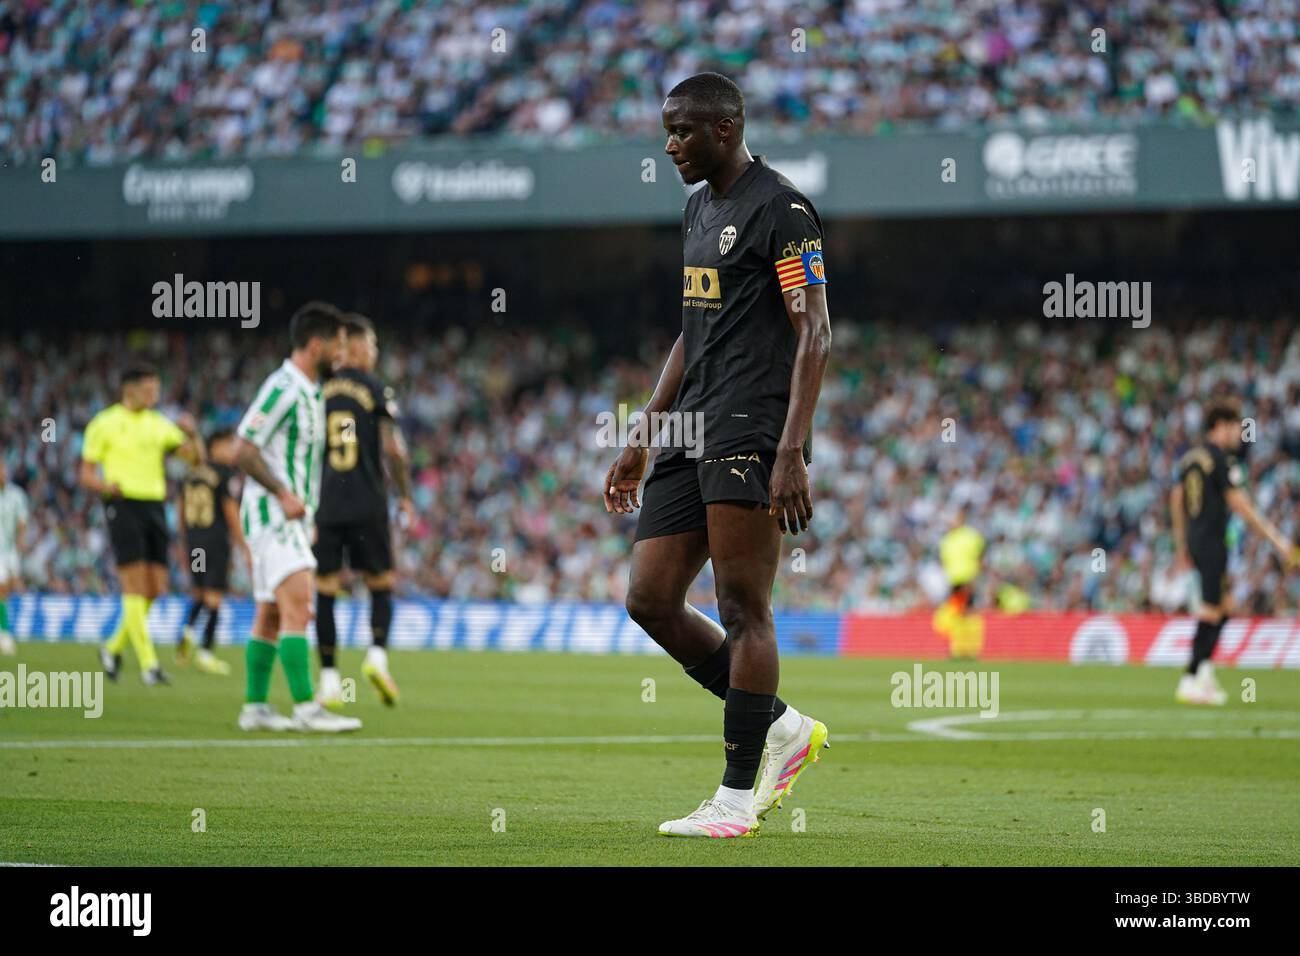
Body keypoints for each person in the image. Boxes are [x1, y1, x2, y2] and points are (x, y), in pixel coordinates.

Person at [604, 73, 832, 838]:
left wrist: (791, 449)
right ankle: (781, 725)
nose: (669, 145)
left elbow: (816, 332)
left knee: (743, 609)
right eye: (665, 131)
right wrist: (643, 434)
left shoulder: (784, 211)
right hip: (692, 428)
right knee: (650, 597)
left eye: (682, 131)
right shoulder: (698, 208)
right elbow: (691, 333)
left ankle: (736, 800)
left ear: (726, 128)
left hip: (752, 427)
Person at [232, 302, 360, 733]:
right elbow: (243, 447)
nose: (341, 357)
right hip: (272, 514)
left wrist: (305, 510)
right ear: (317, 344)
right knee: (301, 605)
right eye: (338, 347)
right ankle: (307, 707)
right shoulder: (283, 386)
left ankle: (254, 707)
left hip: (290, 519)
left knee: (270, 612)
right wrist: (283, 494)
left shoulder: (309, 392)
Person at [314, 312, 414, 709]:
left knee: (325, 589)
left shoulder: (318, 389)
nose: (374, 352)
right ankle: (375, 656)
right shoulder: (375, 389)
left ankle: (328, 680)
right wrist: (404, 494)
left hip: (326, 503)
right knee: (380, 582)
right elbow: (394, 449)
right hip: (368, 500)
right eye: (371, 344)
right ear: (356, 346)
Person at [82, 362, 203, 684]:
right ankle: (149, 665)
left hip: (154, 506)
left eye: (157, 390)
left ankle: (112, 647)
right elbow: (86, 474)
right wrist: (105, 487)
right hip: (123, 504)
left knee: (155, 588)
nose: (155, 395)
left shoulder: (159, 424)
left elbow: (194, 460)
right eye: (149, 389)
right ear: (129, 390)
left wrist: (193, 434)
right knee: (133, 585)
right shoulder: (104, 423)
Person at [1171, 397, 1297, 705]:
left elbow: (1176, 500)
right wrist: (1276, 539)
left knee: (1225, 605)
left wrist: (1181, 545)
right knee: (1212, 608)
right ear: (1221, 427)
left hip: (1197, 538)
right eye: (1237, 427)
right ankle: (1190, 677)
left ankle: (1204, 673)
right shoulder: (1219, 460)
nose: (1240, 434)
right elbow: (1239, 505)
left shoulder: (1190, 458)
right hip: (1213, 539)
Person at [176, 428, 248, 676]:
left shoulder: (192, 474)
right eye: (229, 445)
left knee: (198, 593)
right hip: (215, 542)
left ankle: (186, 632)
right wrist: (243, 546)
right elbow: (230, 512)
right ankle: (206, 653)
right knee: (215, 597)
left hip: (195, 542)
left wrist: (184, 542)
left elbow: (180, 511)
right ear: (215, 446)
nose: (232, 452)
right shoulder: (223, 474)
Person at [0, 459, 29, 656]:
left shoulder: (17, 494)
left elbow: (22, 521)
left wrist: (20, 542)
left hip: (10, 551)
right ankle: (5, 635)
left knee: (6, 593)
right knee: (1, 591)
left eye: (3, 468)